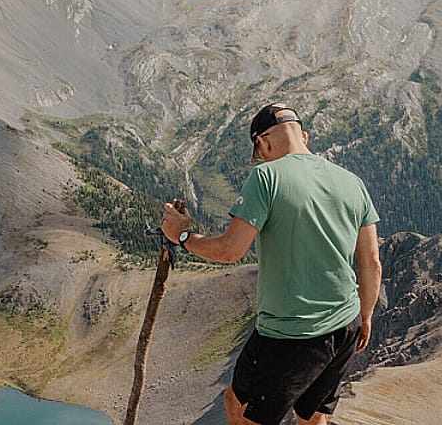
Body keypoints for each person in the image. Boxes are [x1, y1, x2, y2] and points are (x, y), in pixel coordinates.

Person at [161, 103, 382, 425]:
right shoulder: (352, 182)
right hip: (346, 324)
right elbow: (371, 262)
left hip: (292, 333)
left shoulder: (265, 177)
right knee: (312, 414)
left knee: (243, 412)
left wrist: (181, 237)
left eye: (259, 152)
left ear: (263, 142)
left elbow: (229, 251)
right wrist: (366, 315)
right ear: (303, 136)